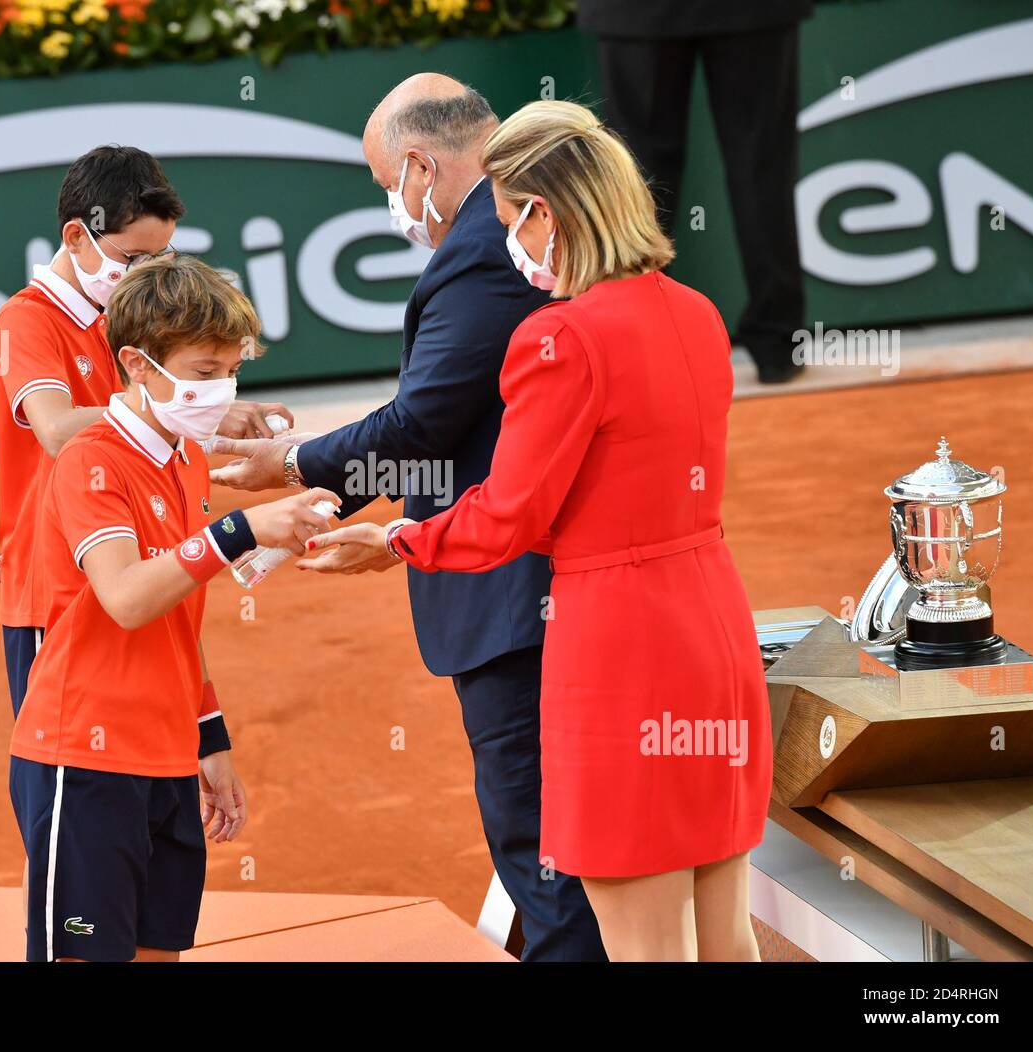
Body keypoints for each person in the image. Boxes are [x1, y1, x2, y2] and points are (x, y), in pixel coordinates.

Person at [305, 100, 773, 962]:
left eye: (511, 213)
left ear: (546, 213)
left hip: (617, 649)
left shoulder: (559, 338)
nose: (505, 236)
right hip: (714, 635)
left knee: (641, 948)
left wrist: (397, 542)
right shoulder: (699, 313)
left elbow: (512, 513)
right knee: (724, 935)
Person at [207, 75, 606, 961]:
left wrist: (296, 461)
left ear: (422, 164)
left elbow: (425, 420)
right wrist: (321, 499)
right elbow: (455, 427)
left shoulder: (481, 249)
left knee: (545, 848)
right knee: (567, 845)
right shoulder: (536, 234)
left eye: (389, 181)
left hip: (518, 601)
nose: (395, 204)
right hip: (564, 588)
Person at [9, 255, 338, 962]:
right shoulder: (91, 460)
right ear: (137, 363)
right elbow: (127, 598)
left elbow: (175, 616)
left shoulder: (184, 459)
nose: (220, 390)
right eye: (202, 371)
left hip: (164, 755)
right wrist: (242, 529)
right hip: (85, 758)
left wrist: (209, 741)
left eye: (229, 371)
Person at [0, 145, 294, 717]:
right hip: (53, 594)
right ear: (76, 237)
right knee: (65, 769)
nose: (145, 272)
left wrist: (210, 420)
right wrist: (205, 413)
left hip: (116, 559)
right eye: (132, 257)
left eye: (160, 256)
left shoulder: (121, 315)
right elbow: (54, 430)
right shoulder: (25, 318)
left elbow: (144, 429)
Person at [577, 0, 811, 383]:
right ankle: (778, 344)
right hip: (748, 12)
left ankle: (643, 345)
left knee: (638, 176)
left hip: (637, 13)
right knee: (761, 165)